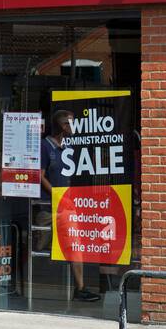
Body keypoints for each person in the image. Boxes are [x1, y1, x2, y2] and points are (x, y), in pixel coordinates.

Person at [42, 109, 100, 303]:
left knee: (76, 243)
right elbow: (39, 176)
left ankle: (80, 287)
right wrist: (58, 196)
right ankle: (80, 287)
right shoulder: (46, 147)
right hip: (52, 206)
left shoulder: (69, 147)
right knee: (65, 244)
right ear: (61, 126)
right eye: (70, 123)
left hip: (69, 204)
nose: (73, 127)